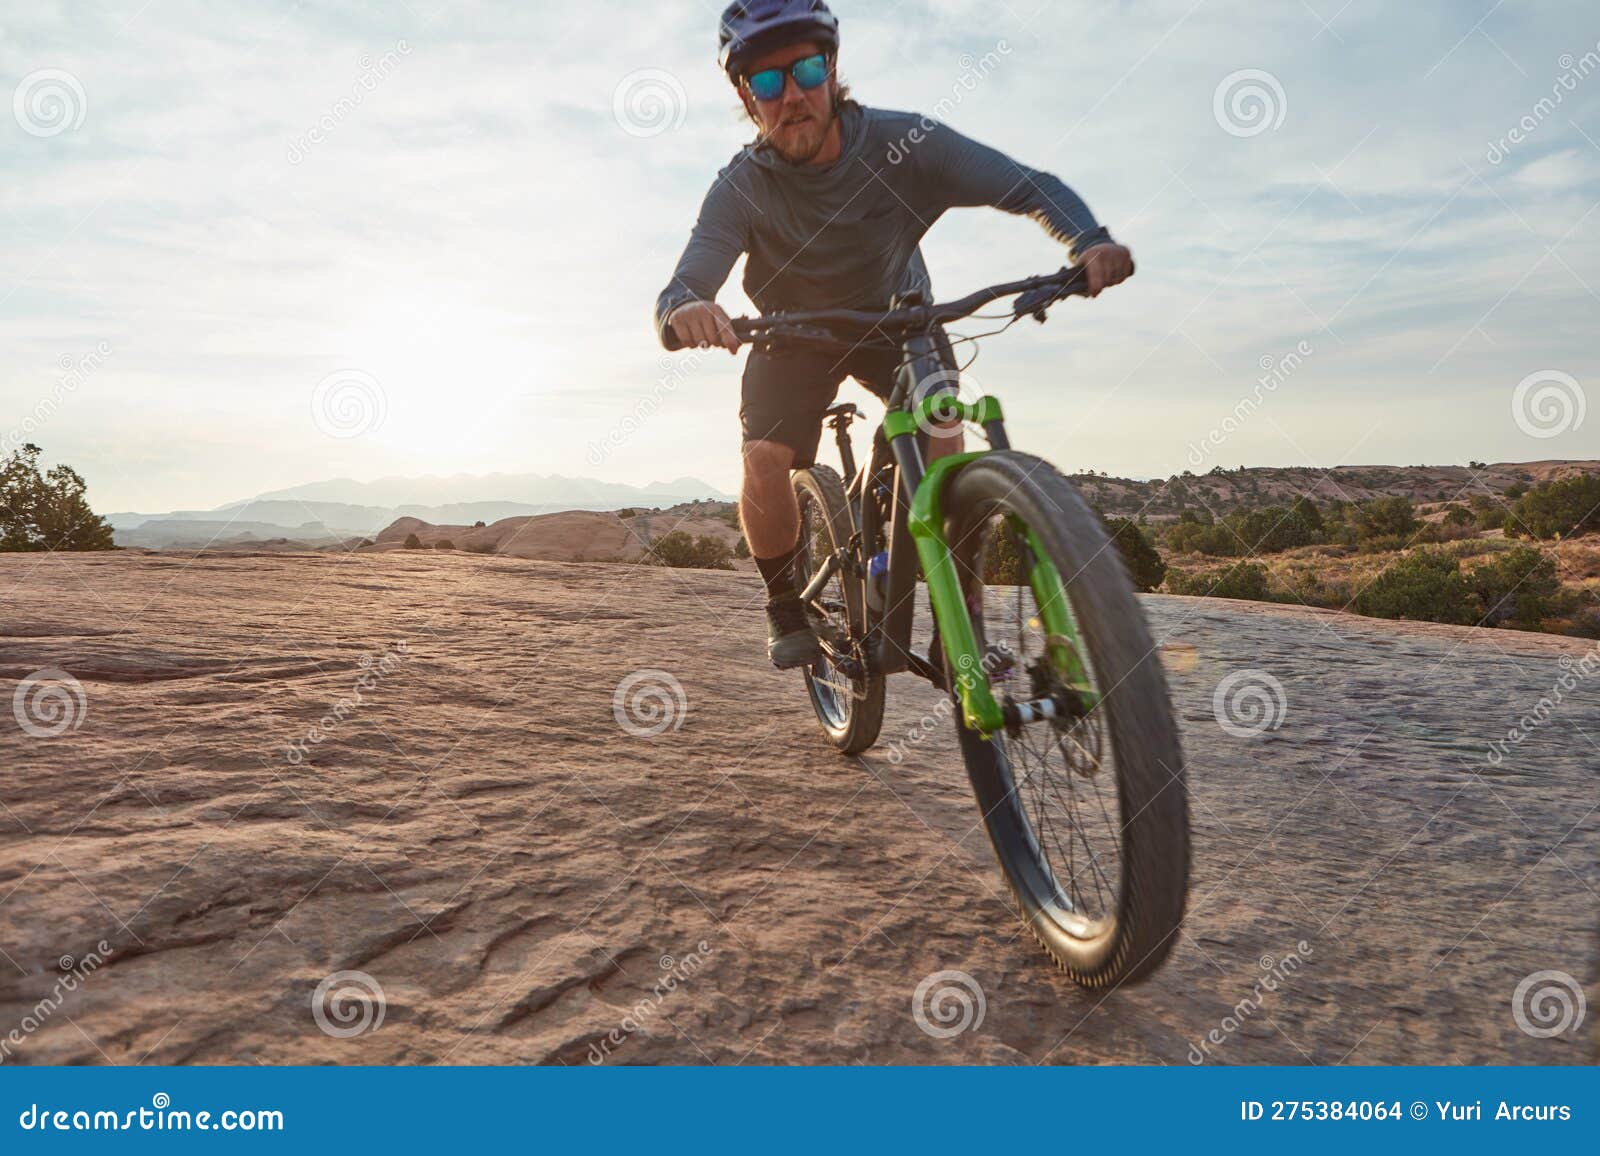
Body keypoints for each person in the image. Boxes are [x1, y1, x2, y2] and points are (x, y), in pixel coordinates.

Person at [655, 0, 1134, 668]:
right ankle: (784, 602)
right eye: (767, 82)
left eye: (806, 70)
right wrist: (685, 309)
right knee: (765, 456)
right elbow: (688, 280)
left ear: (833, 68)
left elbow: (1027, 186)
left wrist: (1086, 239)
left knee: (943, 429)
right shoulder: (742, 187)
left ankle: (955, 620)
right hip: (793, 334)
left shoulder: (906, 144)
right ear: (745, 95)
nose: (791, 95)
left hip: (901, 321)